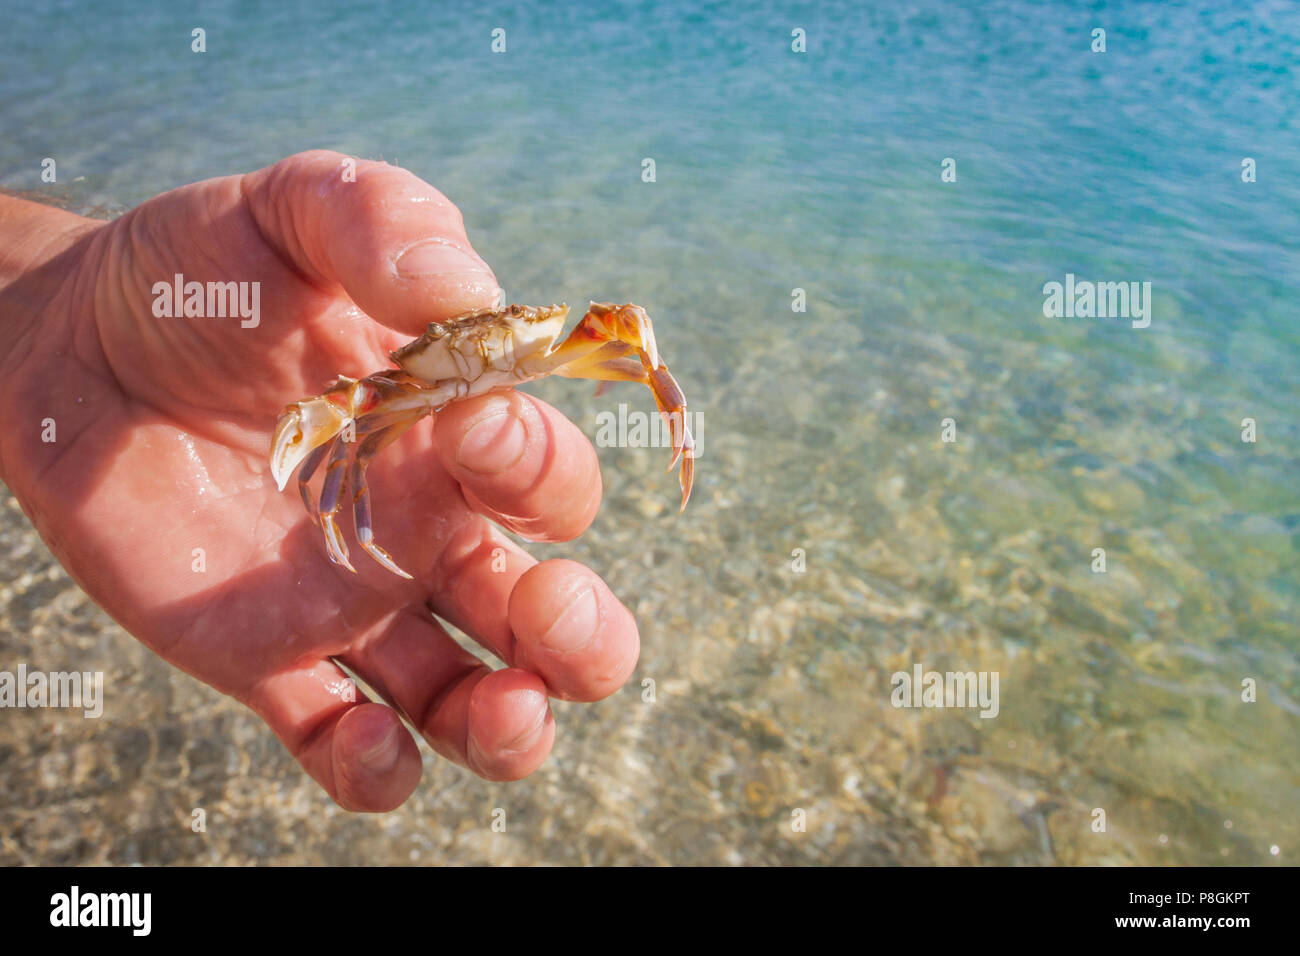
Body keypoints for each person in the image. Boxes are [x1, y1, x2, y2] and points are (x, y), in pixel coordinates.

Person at [0, 150, 640, 811]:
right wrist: (60, 304)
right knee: (350, 455)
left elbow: (629, 330)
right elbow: (342, 438)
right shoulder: (396, 389)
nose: (480, 352)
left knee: (620, 339)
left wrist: (56, 292)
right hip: (409, 389)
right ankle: (353, 533)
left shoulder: (553, 343)